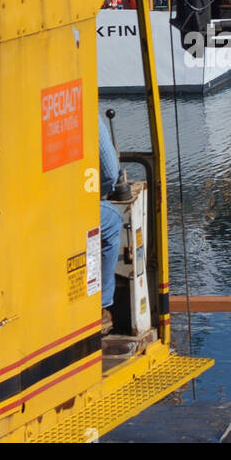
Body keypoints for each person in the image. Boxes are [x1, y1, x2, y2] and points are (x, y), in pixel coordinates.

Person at [98, 114, 123, 334]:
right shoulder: (83, 107)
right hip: (65, 207)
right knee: (113, 220)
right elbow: (108, 173)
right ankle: (102, 307)